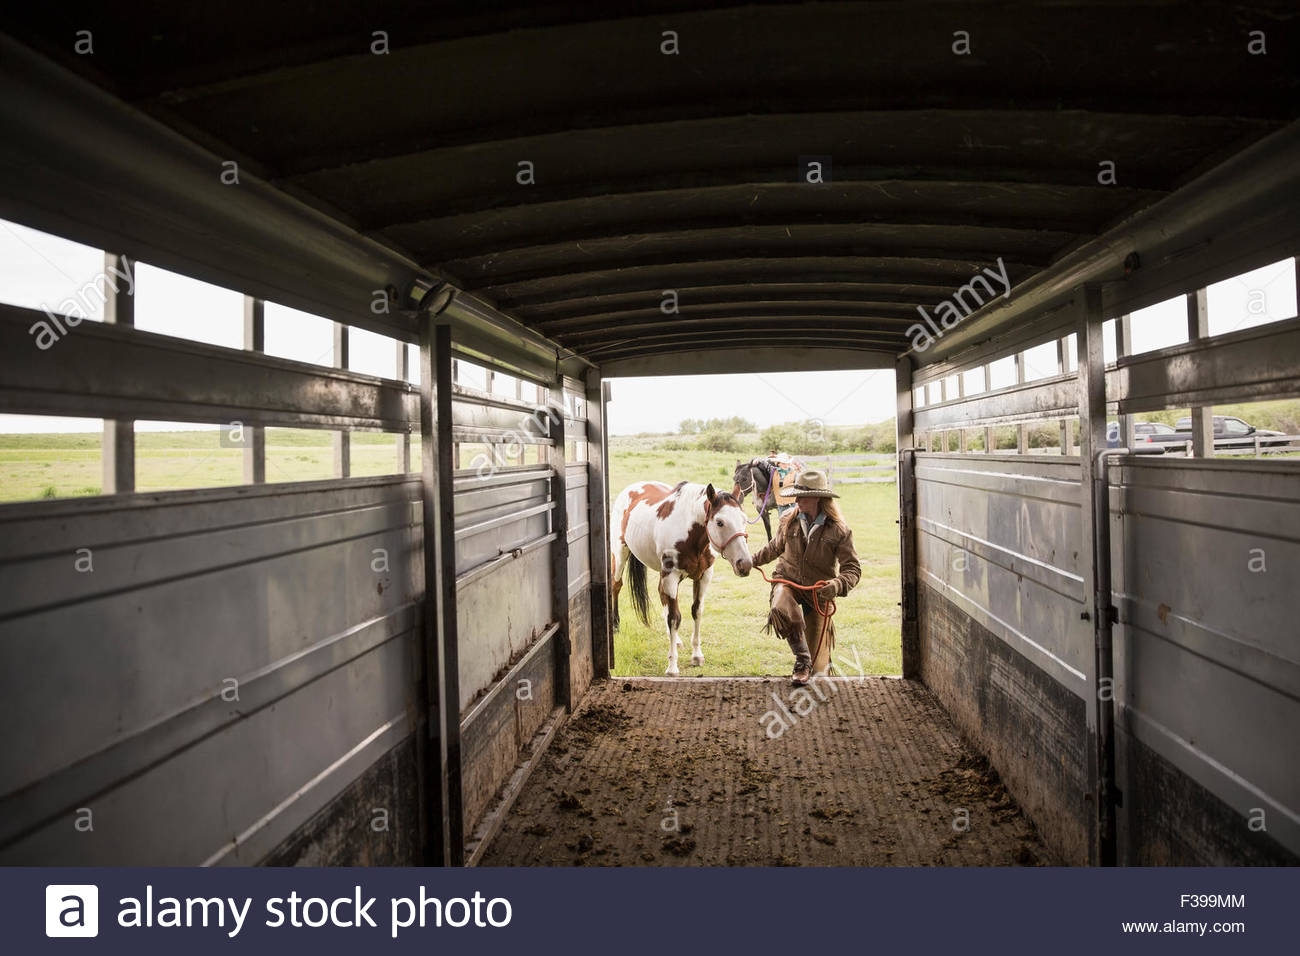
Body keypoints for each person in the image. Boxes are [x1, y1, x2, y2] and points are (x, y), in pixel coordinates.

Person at [749, 469, 861, 685]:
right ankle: (802, 659)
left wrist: (837, 585)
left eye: (802, 496)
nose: (796, 500)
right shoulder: (787, 520)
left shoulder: (839, 531)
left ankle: (812, 666)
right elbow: (775, 547)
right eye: (796, 495)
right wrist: (751, 560)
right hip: (787, 579)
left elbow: (853, 568)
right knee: (780, 605)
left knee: (819, 671)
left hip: (819, 591)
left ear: (818, 498)